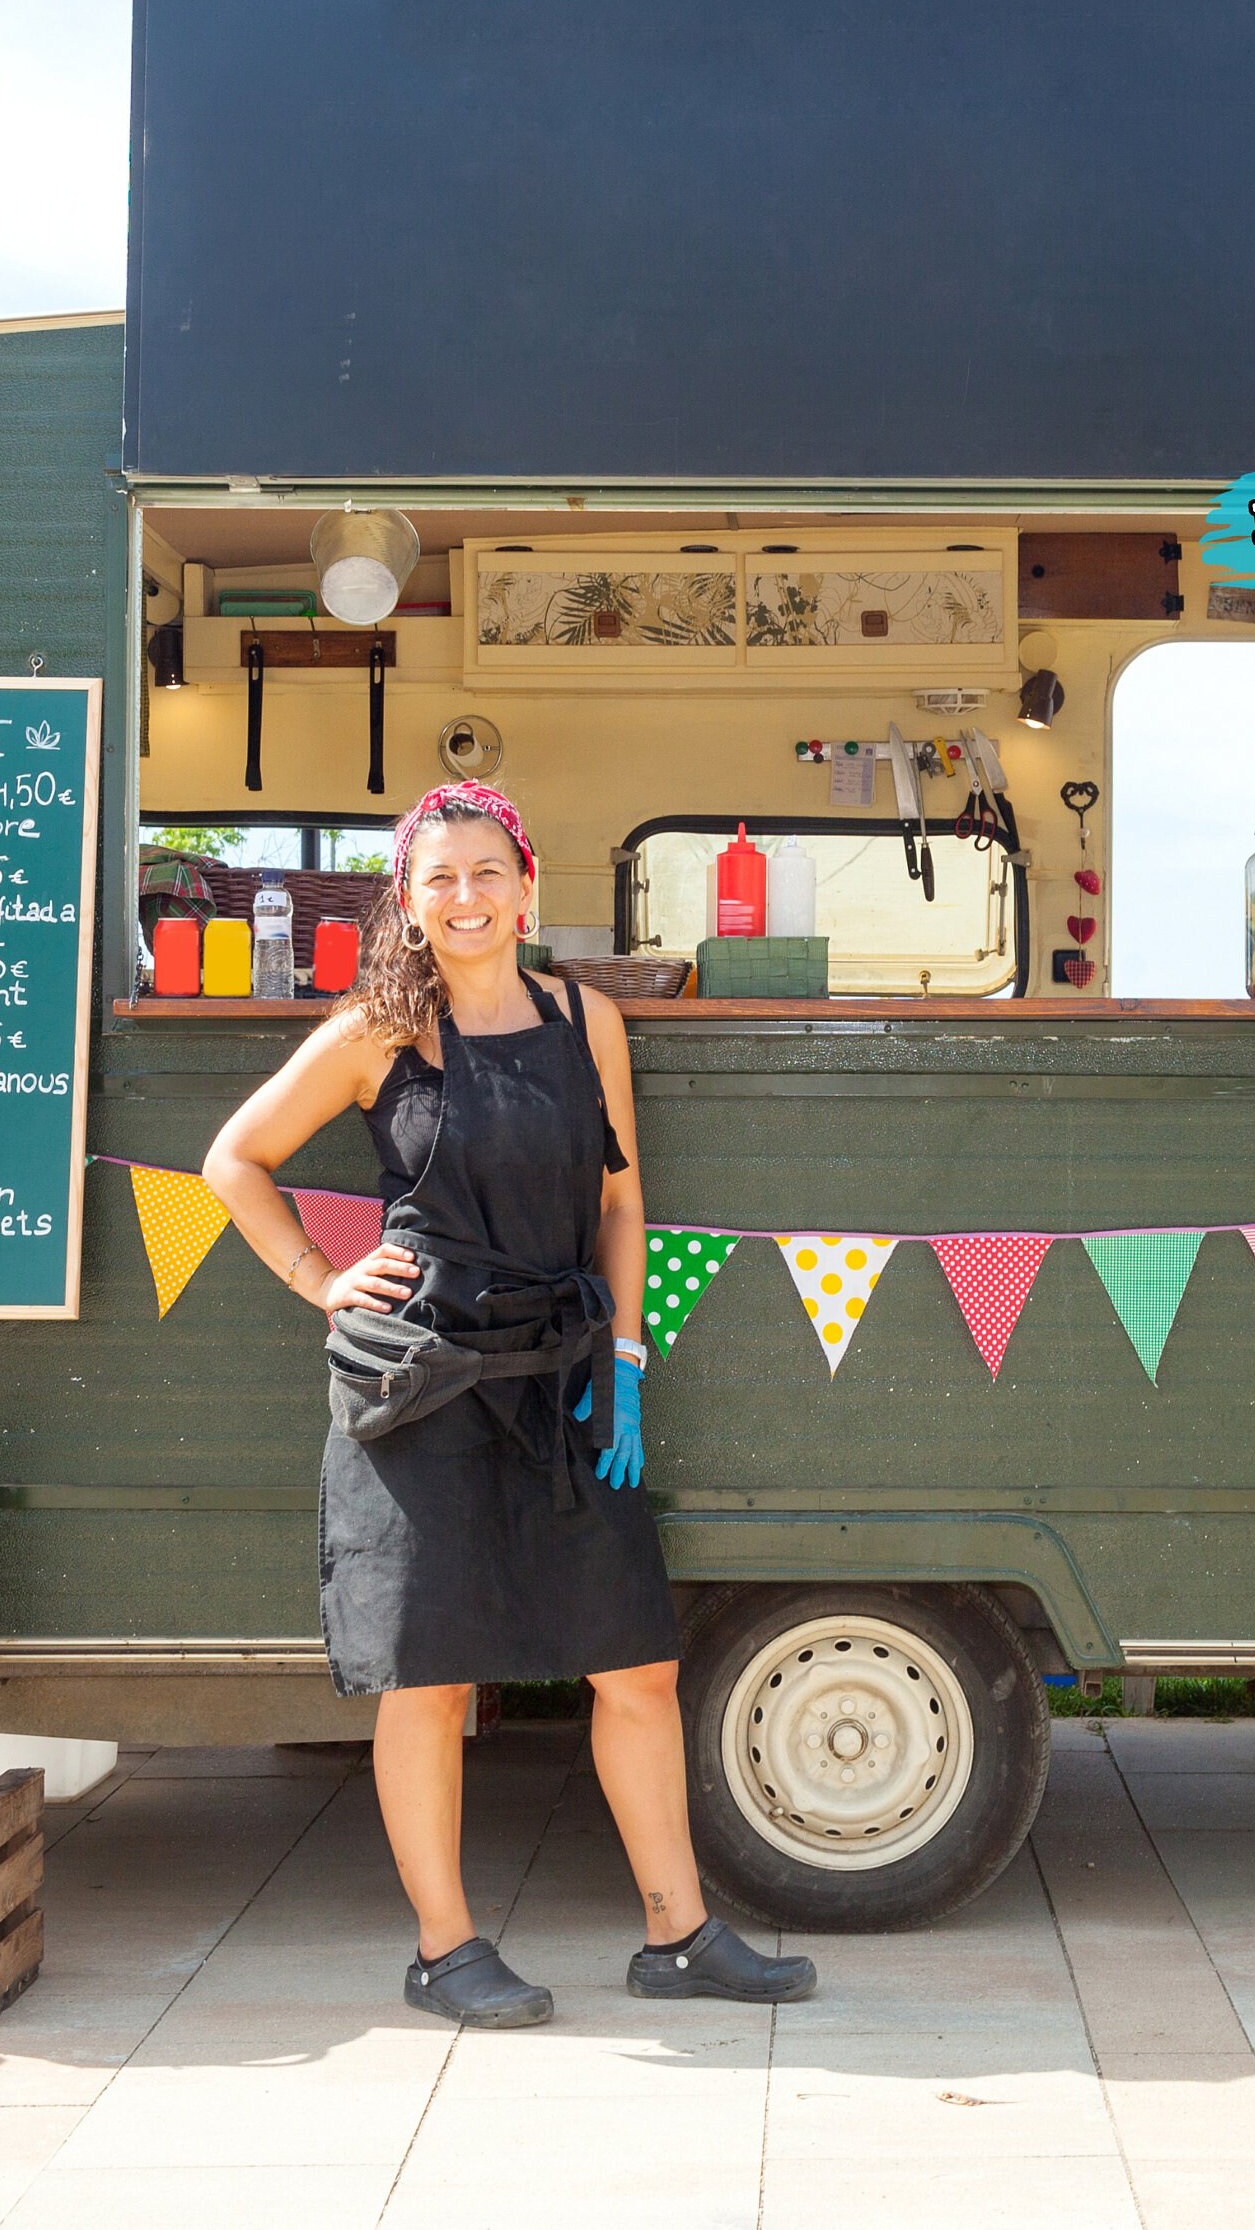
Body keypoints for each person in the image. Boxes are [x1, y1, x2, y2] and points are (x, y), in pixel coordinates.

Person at [204, 782, 814, 2027]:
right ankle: (445, 1947)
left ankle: (679, 1933)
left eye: (487, 873)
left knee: (636, 1664)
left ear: (527, 885)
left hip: (563, 1373)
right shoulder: (379, 1027)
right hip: (419, 1384)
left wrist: (628, 1356)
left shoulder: (585, 1017)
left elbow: (620, 1198)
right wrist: (324, 1281)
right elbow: (236, 1160)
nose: (467, 898)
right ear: (409, 900)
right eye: (440, 879)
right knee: (426, 1678)